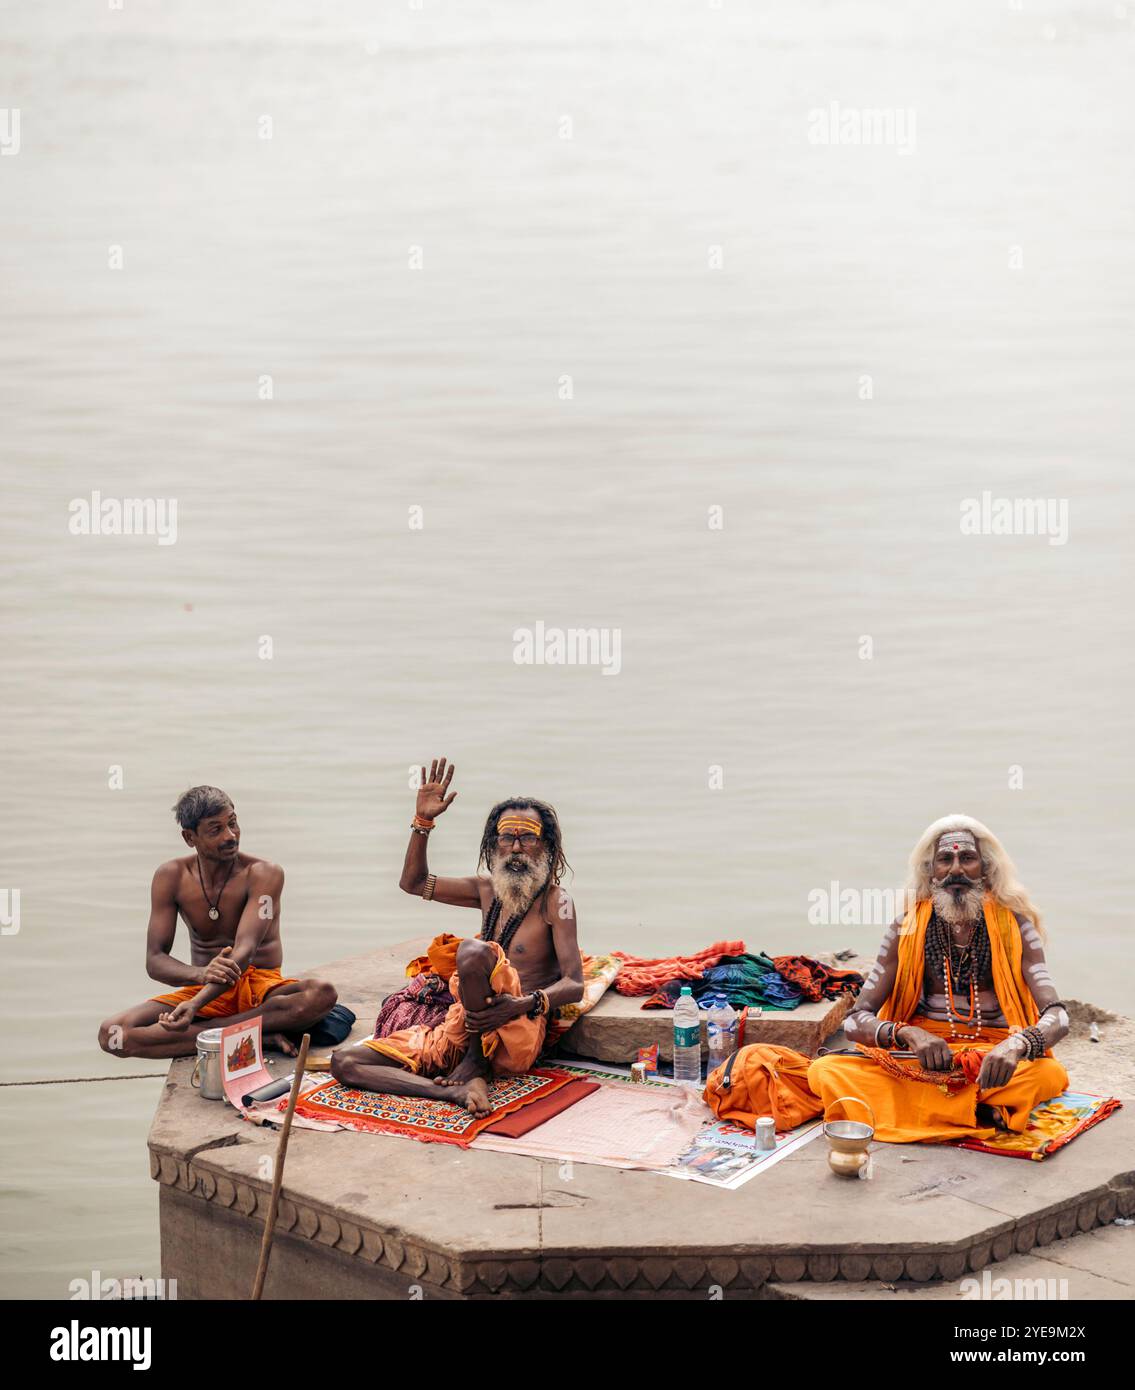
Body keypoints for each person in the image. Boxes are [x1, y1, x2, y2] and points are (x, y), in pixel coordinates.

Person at [331, 758, 584, 1116]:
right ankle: (453, 1093)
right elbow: (413, 883)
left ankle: (476, 1063)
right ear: (494, 844)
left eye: (527, 837)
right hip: (464, 1025)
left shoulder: (557, 902)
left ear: (546, 846)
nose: (515, 848)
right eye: (507, 837)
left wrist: (523, 1004)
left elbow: (574, 984)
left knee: (473, 950)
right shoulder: (485, 889)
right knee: (345, 1062)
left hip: (516, 1030)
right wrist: (423, 822)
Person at [807, 815, 1069, 1143]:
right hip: (919, 1060)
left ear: (985, 869)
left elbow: (1058, 1015)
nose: (956, 869)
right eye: (945, 859)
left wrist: (1016, 1046)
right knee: (826, 1070)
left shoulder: (1015, 928)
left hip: (989, 1058)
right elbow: (855, 1022)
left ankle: (911, 1110)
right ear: (931, 872)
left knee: (1046, 1074)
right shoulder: (906, 928)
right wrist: (908, 1034)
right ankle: (976, 1113)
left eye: (967, 858)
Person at [97, 786, 336, 1059]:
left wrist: (194, 1005)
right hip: (205, 989)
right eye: (216, 830)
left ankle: (216, 1034)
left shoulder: (264, 873)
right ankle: (257, 1035)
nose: (230, 836)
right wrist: (200, 976)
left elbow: (244, 951)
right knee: (113, 1034)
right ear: (190, 837)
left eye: (232, 823)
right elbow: (155, 960)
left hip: (259, 989)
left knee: (320, 994)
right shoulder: (171, 876)